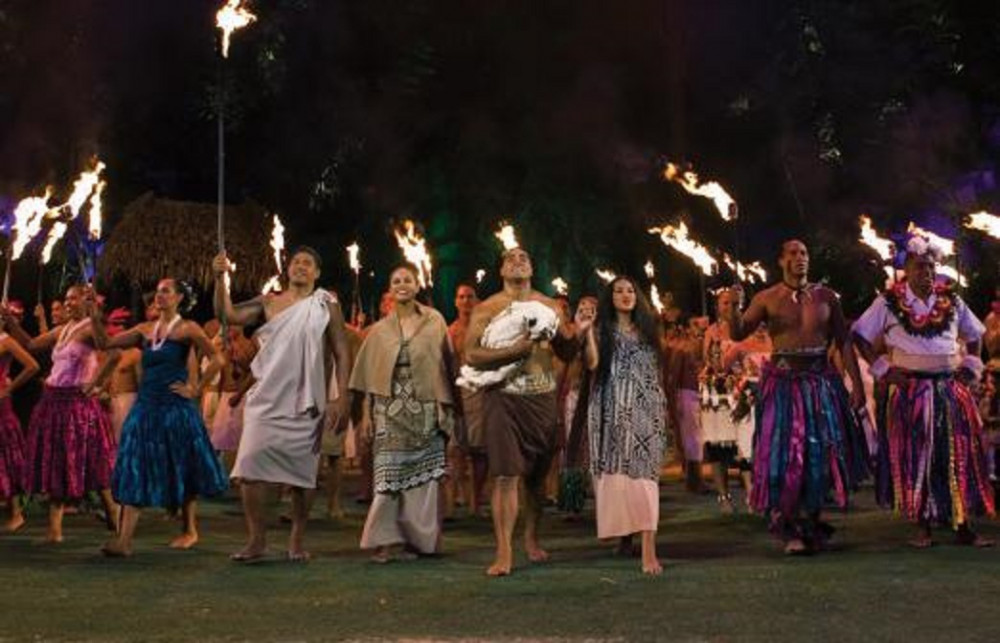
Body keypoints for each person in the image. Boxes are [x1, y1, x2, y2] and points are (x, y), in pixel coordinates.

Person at [727, 240, 868, 554]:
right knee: (785, 459)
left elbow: (844, 343)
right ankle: (789, 526)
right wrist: (735, 307)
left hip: (821, 384)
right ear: (781, 261)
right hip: (783, 387)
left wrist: (856, 386)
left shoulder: (827, 296)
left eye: (803, 253)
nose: (799, 258)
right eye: (792, 253)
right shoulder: (766, 298)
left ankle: (811, 524)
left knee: (821, 458)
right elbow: (738, 334)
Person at [853, 240, 995, 547]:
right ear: (907, 270)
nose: (927, 272)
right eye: (920, 267)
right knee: (917, 457)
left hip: (949, 388)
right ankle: (923, 526)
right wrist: (883, 369)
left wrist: (971, 364)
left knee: (958, 455)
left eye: (931, 267)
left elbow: (975, 335)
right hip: (911, 391)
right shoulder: (888, 302)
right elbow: (860, 336)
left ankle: (962, 525)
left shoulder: (952, 301)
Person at [213, 246, 351, 562]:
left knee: (303, 476)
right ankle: (256, 540)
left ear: (317, 273)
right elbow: (228, 314)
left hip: (306, 401)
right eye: (296, 262)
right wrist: (220, 279)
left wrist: (341, 396)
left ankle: (297, 541)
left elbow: (342, 351)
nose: (301, 266)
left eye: (308, 263)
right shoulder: (269, 302)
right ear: (288, 270)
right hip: (266, 398)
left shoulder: (326, 304)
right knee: (249, 468)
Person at [463, 247, 583, 576]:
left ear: (532, 268)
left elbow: (566, 350)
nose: (518, 261)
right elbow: (471, 354)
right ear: (501, 269)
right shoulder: (487, 308)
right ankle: (503, 551)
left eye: (525, 258)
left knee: (536, 478)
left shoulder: (549, 306)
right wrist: (514, 351)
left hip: (541, 397)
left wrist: (581, 331)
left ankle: (530, 537)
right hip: (502, 397)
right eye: (511, 258)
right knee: (503, 475)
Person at [97, 279, 229, 556]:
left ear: (180, 297)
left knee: (182, 465)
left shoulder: (187, 328)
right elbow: (105, 342)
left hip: (175, 409)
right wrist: (93, 315)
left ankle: (189, 529)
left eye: (166, 291)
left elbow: (217, 359)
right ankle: (124, 541)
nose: (159, 295)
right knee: (135, 464)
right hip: (146, 408)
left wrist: (196, 387)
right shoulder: (145, 330)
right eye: (157, 291)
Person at [350, 264, 457, 562]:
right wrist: (368, 415)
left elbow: (445, 366)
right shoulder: (380, 330)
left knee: (425, 480)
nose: (402, 284)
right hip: (389, 410)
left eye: (407, 280)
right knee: (387, 478)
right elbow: (369, 375)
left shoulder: (434, 321)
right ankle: (383, 542)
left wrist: (443, 408)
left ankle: (419, 543)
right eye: (396, 280)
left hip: (425, 409)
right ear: (390, 287)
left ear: (417, 285)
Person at [5, 285, 119, 542]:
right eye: (66, 299)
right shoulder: (63, 329)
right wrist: (11, 322)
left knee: (91, 461)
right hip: (53, 402)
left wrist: (95, 384)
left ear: (85, 301)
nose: (68, 304)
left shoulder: (90, 327)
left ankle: (113, 510)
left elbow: (113, 354)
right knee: (57, 460)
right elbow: (32, 344)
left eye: (73, 299)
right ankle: (55, 530)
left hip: (77, 405)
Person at [582, 276, 666, 574]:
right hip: (610, 410)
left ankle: (649, 550)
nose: (625, 295)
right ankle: (625, 537)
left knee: (644, 479)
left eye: (630, 290)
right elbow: (592, 365)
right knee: (618, 478)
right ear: (611, 297)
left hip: (646, 411)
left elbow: (657, 370)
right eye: (618, 291)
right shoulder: (601, 330)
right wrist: (587, 333)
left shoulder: (648, 330)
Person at [448, 283, 488, 517]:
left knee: (480, 452)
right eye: (461, 297)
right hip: (456, 393)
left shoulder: (485, 330)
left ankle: (475, 502)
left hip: (480, 394)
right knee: (454, 451)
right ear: (456, 301)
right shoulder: (449, 331)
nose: (465, 301)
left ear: (477, 301)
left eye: (470, 297)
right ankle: (451, 504)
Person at [0, 312, 40, 532]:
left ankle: (16, 513)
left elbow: (32, 365)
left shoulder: (6, 340)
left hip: (1, 405)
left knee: (5, 454)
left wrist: (9, 387)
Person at [666, 316, 706, 493]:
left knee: (697, 439)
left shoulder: (702, 347)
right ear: (688, 328)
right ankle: (694, 480)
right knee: (692, 439)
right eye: (696, 326)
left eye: (702, 328)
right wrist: (673, 402)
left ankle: (696, 478)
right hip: (686, 394)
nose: (700, 331)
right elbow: (672, 377)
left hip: (699, 394)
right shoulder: (681, 349)